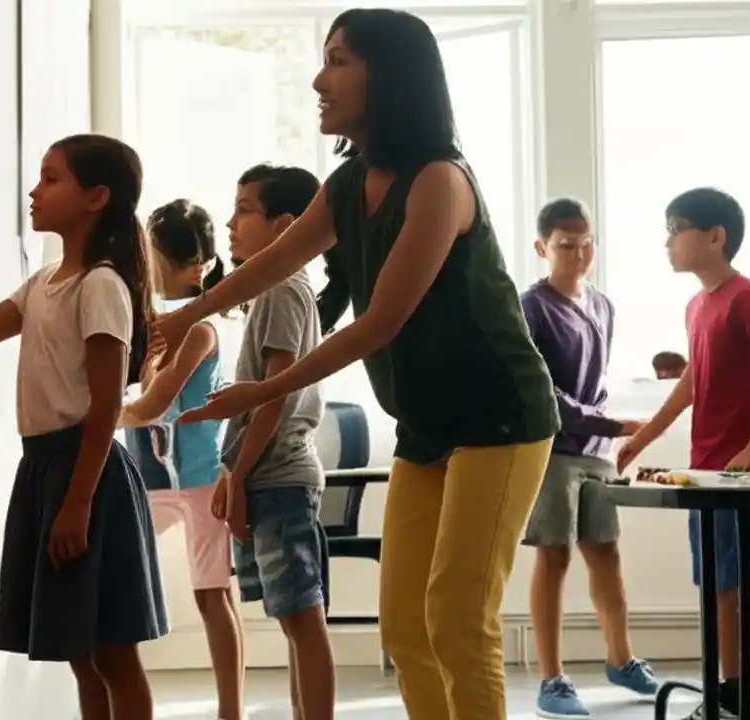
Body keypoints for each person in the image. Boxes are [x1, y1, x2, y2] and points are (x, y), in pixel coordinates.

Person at [158, 9, 561, 719]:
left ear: (391, 74)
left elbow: (382, 323)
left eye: (338, 60)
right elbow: (277, 261)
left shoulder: (440, 181)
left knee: (459, 623)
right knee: (407, 629)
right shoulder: (347, 184)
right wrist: (185, 312)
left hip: (501, 418)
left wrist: (261, 389)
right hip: (428, 425)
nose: (319, 79)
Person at [0, 134, 168, 720]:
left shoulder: (102, 286)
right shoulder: (43, 284)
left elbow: (105, 406)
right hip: (43, 468)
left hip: (87, 474)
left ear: (96, 197)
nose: (35, 191)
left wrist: (78, 503)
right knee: (80, 653)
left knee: (113, 654)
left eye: (51, 178)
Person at [618, 188, 750, 720]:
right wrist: (644, 436)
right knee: (720, 587)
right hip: (706, 472)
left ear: (714, 236)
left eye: (677, 229)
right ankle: (729, 693)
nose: (668, 241)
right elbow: (694, 382)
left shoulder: (748, 299)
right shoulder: (697, 306)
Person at [519, 198, 659, 718]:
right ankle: (552, 680)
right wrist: (615, 425)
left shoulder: (603, 305)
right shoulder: (529, 307)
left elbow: (594, 384)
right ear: (542, 248)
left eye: (586, 244)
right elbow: (542, 394)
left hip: (597, 452)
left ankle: (621, 659)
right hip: (552, 449)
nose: (579, 254)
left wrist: (609, 432)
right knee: (553, 555)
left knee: (606, 551)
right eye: (565, 246)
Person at [206, 163, 334, 720]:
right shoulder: (272, 291)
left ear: (284, 226)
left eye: (244, 210)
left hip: (280, 477)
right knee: (291, 620)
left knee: (303, 619)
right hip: (265, 474)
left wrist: (237, 476)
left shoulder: (283, 288)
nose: (230, 222)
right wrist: (231, 472)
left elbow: (272, 397)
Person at [117, 199, 245, 720]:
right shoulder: (156, 322)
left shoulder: (199, 327)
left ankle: (230, 714)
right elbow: (147, 395)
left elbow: (155, 403)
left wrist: (95, 416)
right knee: (139, 584)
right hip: (149, 476)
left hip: (198, 478)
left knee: (213, 596)